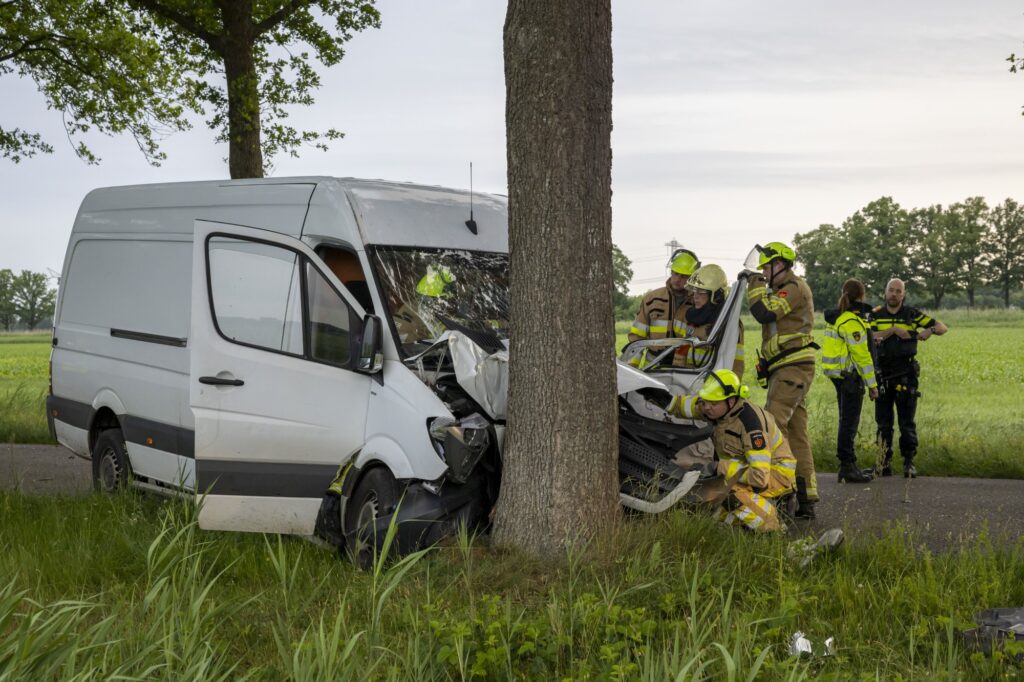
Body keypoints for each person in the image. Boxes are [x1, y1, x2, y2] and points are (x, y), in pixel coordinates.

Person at [665, 369, 796, 532]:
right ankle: (745, 526)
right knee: (708, 502)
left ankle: (773, 527)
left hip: (775, 474)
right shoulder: (717, 409)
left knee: (728, 490)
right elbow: (686, 406)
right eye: (705, 402)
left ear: (732, 401)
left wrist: (719, 467)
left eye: (713, 404)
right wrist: (661, 398)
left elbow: (760, 477)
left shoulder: (751, 426)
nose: (707, 408)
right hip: (749, 469)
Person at [746, 241, 819, 519]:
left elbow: (764, 313)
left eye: (766, 266)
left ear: (780, 265)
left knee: (773, 429)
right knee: (796, 434)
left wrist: (753, 283)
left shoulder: (793, 288)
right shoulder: (779, 289)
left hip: (793, 367)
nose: (763, 271)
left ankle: (781, 494)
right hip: (786, 368)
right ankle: (807, 498)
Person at [870, 278, 948, 478]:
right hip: (883, 373)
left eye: (898, 291)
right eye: (891, 290)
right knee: (883, 424)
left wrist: (929, 331)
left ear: (903, 294)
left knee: (907, 423)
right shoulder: (876, 314)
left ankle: (909, 463)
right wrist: (894, 331)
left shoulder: (911, 314)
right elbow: (870, 335)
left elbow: (942, 327)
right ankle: (883, 463)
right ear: (885, 292)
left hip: (906, 374)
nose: (894, 294)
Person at [821, 278, 878, 483]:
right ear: (861, 296)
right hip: (850, 378)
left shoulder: (838, 318)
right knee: (849, 423)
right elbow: (862, 356)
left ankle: (849, 465)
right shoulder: (851, 321)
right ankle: (847, 466)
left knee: (846, 420)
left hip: (839, 377)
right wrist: (872, 385)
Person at [626, 248, 700, 367]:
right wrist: (632, 368)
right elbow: (637, 338)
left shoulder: (697, 302)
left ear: (692, 278)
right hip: (653, 368)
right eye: (675, 273)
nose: (677, 279)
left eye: (684, 276)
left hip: (684, 371)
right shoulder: (652, 299)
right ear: (671, 272)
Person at [679, 264, 745, 377]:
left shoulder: (728, 324)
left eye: (701, 292)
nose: (695, 296)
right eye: (694, 291)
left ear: (716, 296)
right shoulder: (691, 318)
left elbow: (736, 364)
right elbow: (681, 354)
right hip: (688, 382)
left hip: (713, 386)